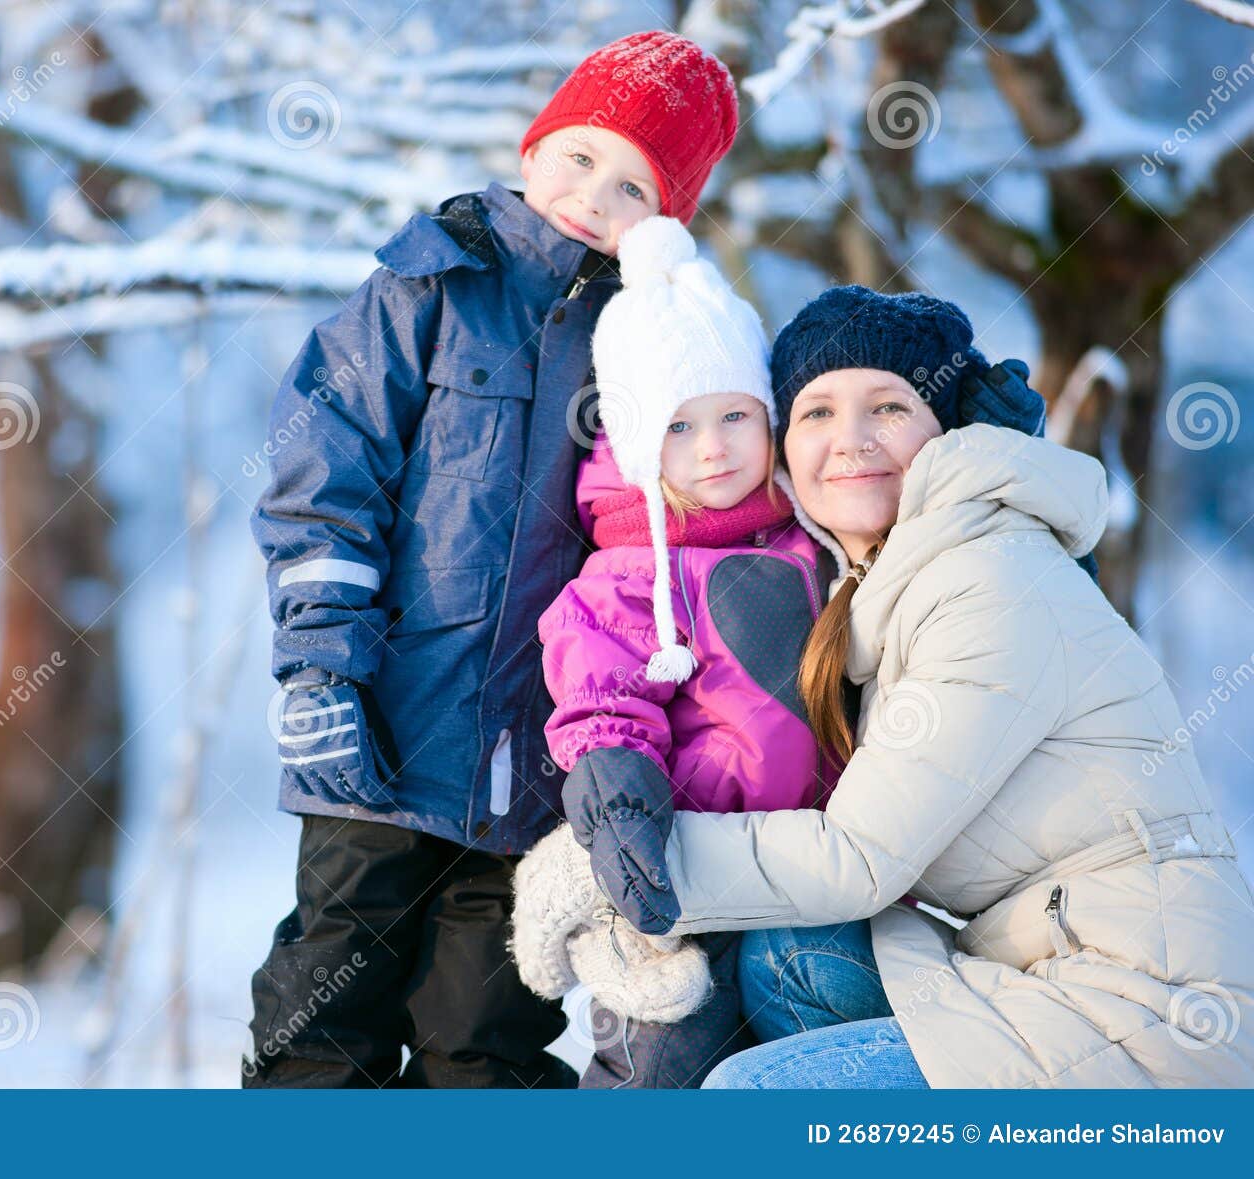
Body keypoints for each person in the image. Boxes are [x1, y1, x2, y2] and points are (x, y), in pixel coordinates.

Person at [243, 32, 741, 1088]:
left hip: (538, 770)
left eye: (632, 187)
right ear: (534, 148)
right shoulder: (429, 286)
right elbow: (323, 472)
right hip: (383, 738)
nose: (593, 197)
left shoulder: (651, 343)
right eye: (580, 158)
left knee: (489, 1038)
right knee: (327, 1012)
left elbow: (742, 457)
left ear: (666, 221)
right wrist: (323, 668)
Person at [659, 284, 1254, 1088]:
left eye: (890, 407)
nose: (851, 439)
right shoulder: (894, 585)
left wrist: (631, 857)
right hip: (1043, 966)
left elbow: (857, 857)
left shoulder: (985, 577)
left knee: (749, 1097)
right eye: (817, 412)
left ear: (946, 428)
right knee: (790, 957)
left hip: (1145, 1014)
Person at [514, 216, 843, 1088]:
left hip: (809, 873)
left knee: (781, 1072)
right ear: (631, 440)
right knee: (655, 1070)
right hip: (683, 876)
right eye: (679, 426)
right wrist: (620, 797)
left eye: (736, 415)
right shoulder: (625, 573)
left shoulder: (812, 543)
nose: (714, 447)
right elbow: (601, 697)